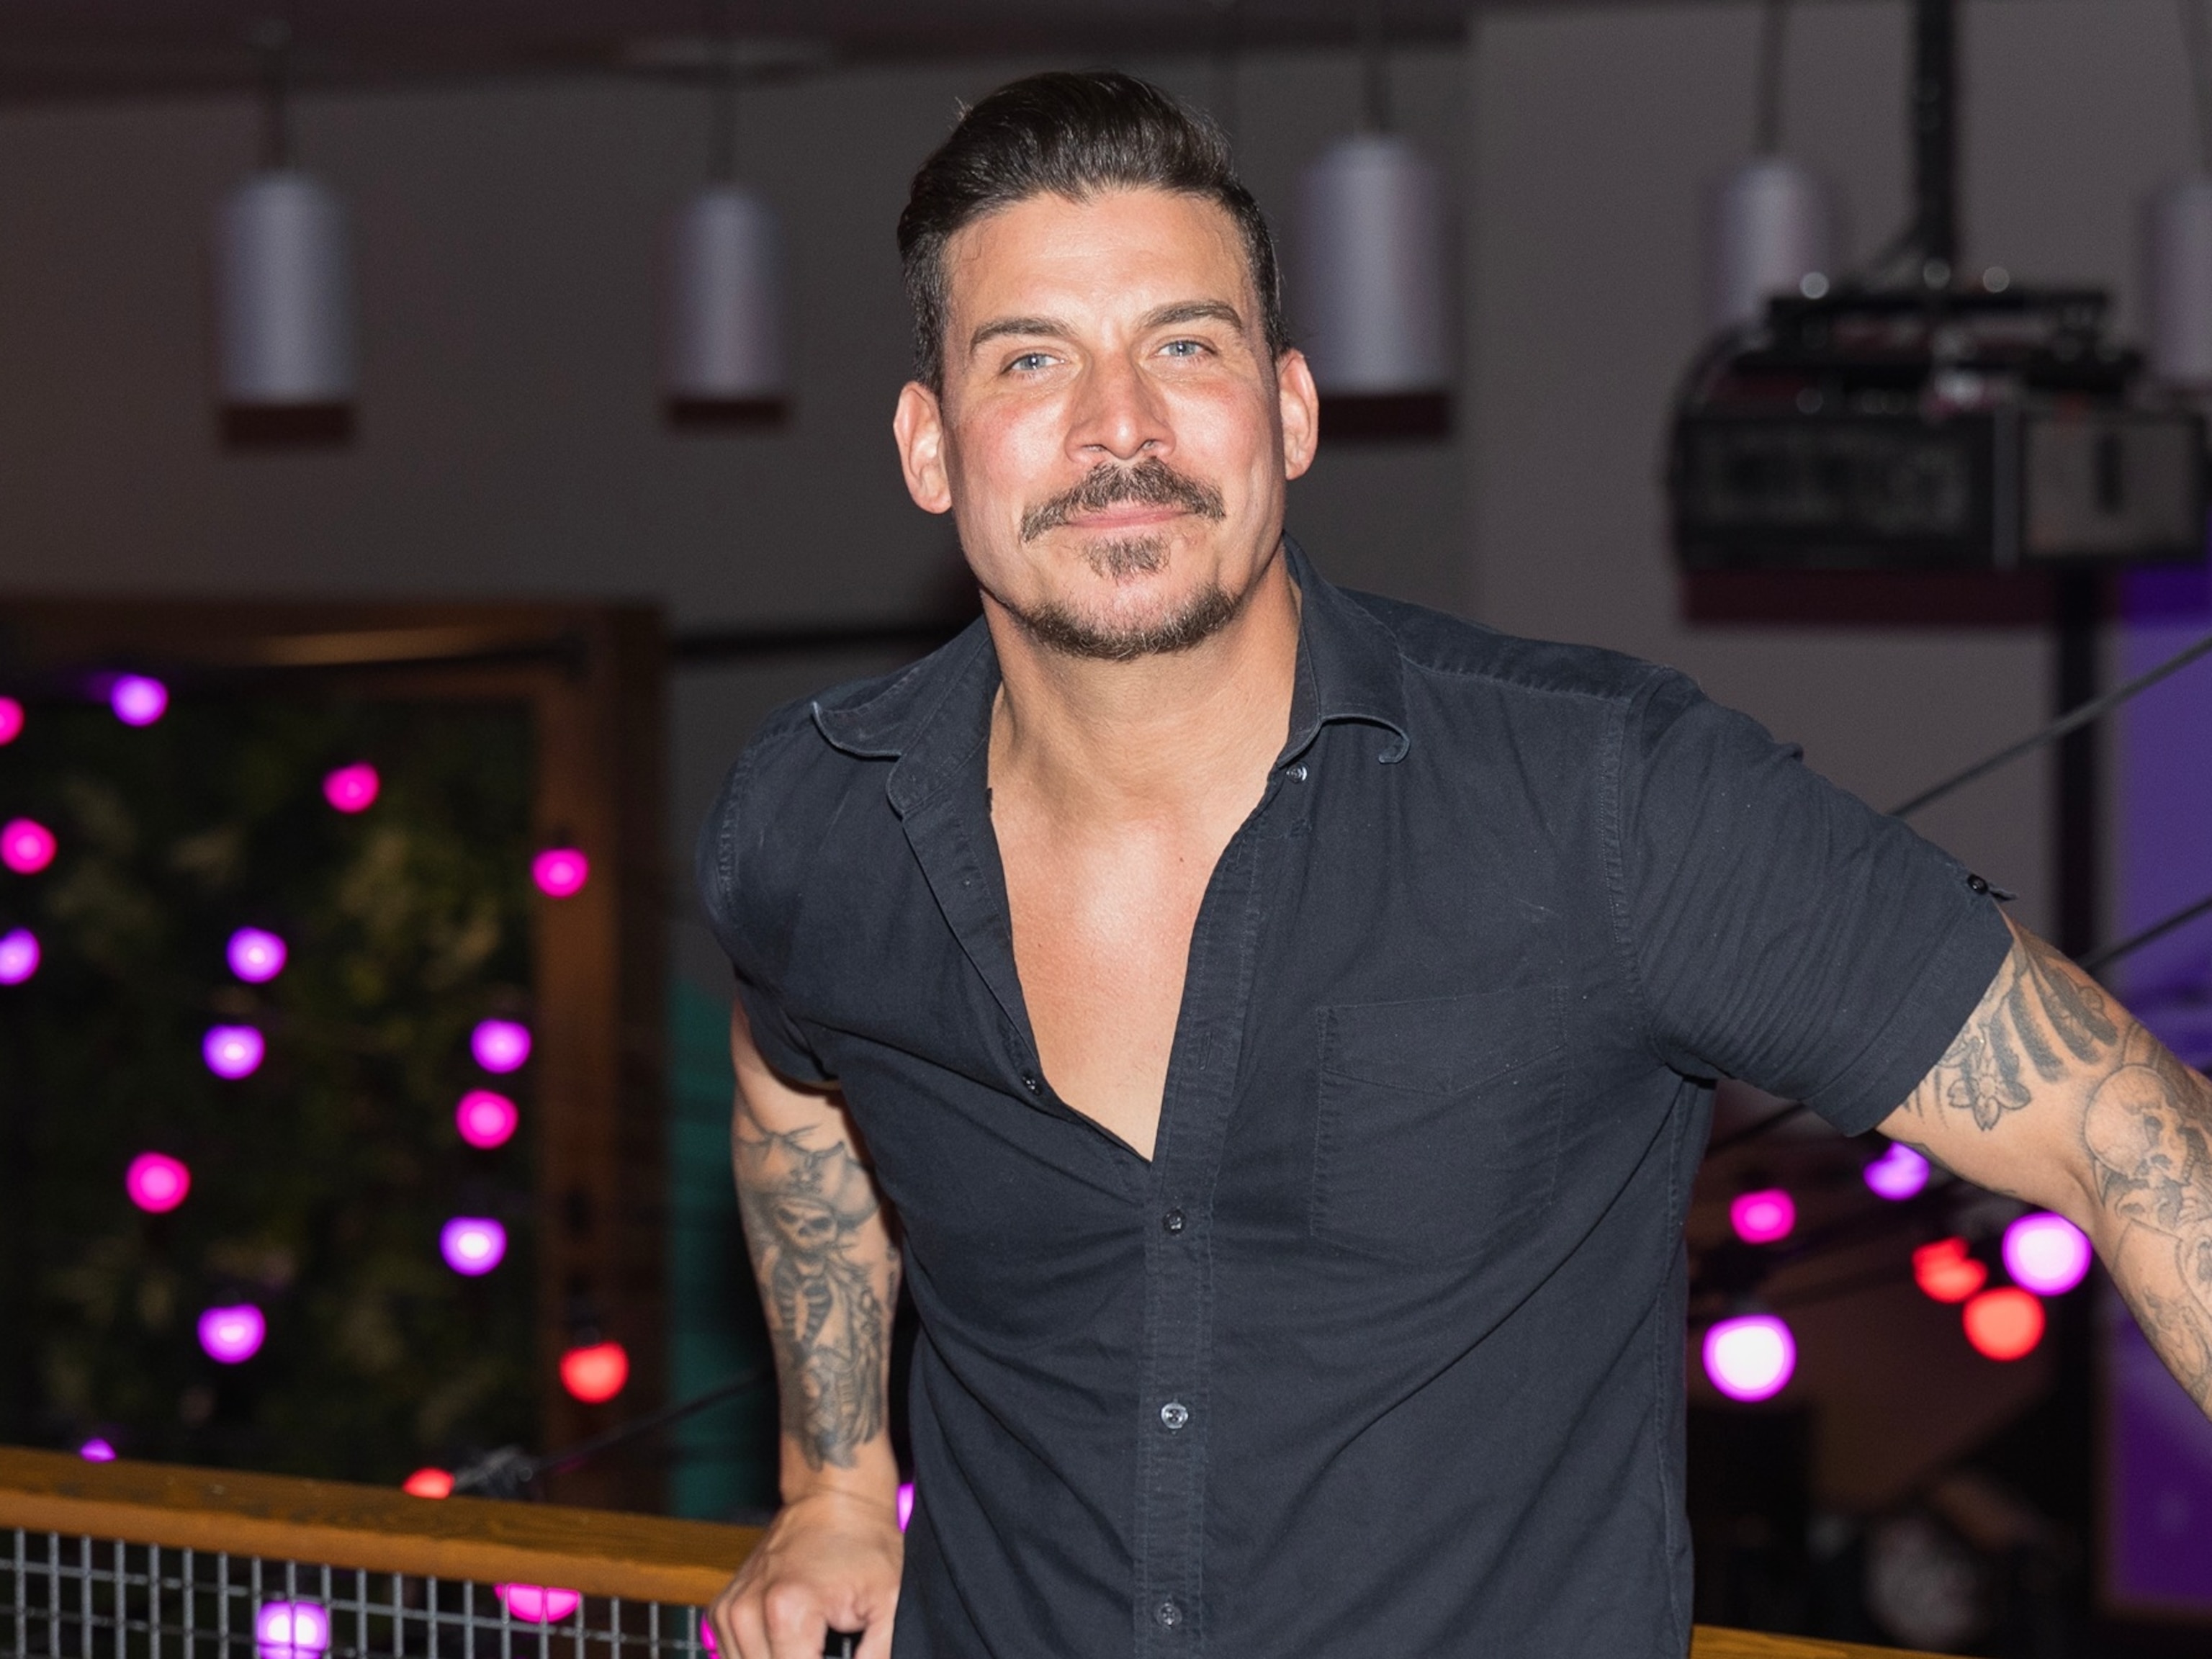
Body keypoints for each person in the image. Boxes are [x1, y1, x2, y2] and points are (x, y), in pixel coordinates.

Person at [697, 71, 2212, 1659]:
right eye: (1031, 359)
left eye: (1185, 346)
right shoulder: (817, 820)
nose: (1120, 426)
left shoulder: (1605, 797)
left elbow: (2121, 1124)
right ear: (930, 447)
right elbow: (790, 1089)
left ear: (1291, 413)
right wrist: (833, 1485)